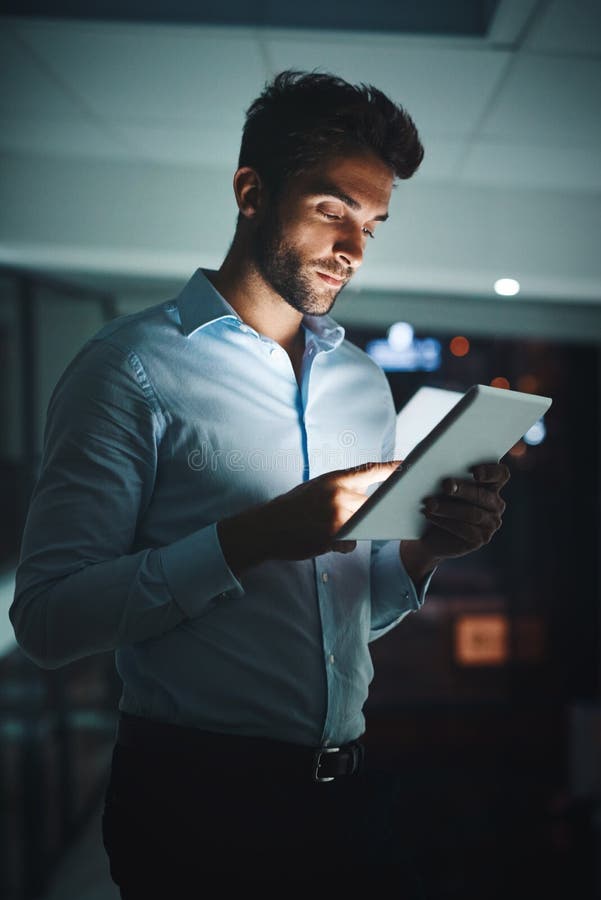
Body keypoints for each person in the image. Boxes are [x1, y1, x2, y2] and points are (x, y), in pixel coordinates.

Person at [10, 70, 509, 895]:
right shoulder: (127, 370)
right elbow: (47, 621)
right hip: (194, 803)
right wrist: (255, 538)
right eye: (331, 210)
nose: (352, 247)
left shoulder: (361, 382)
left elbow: (343, 617)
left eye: (371, 226)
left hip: (347, 797)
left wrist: (421, 553)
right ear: (251, 191)